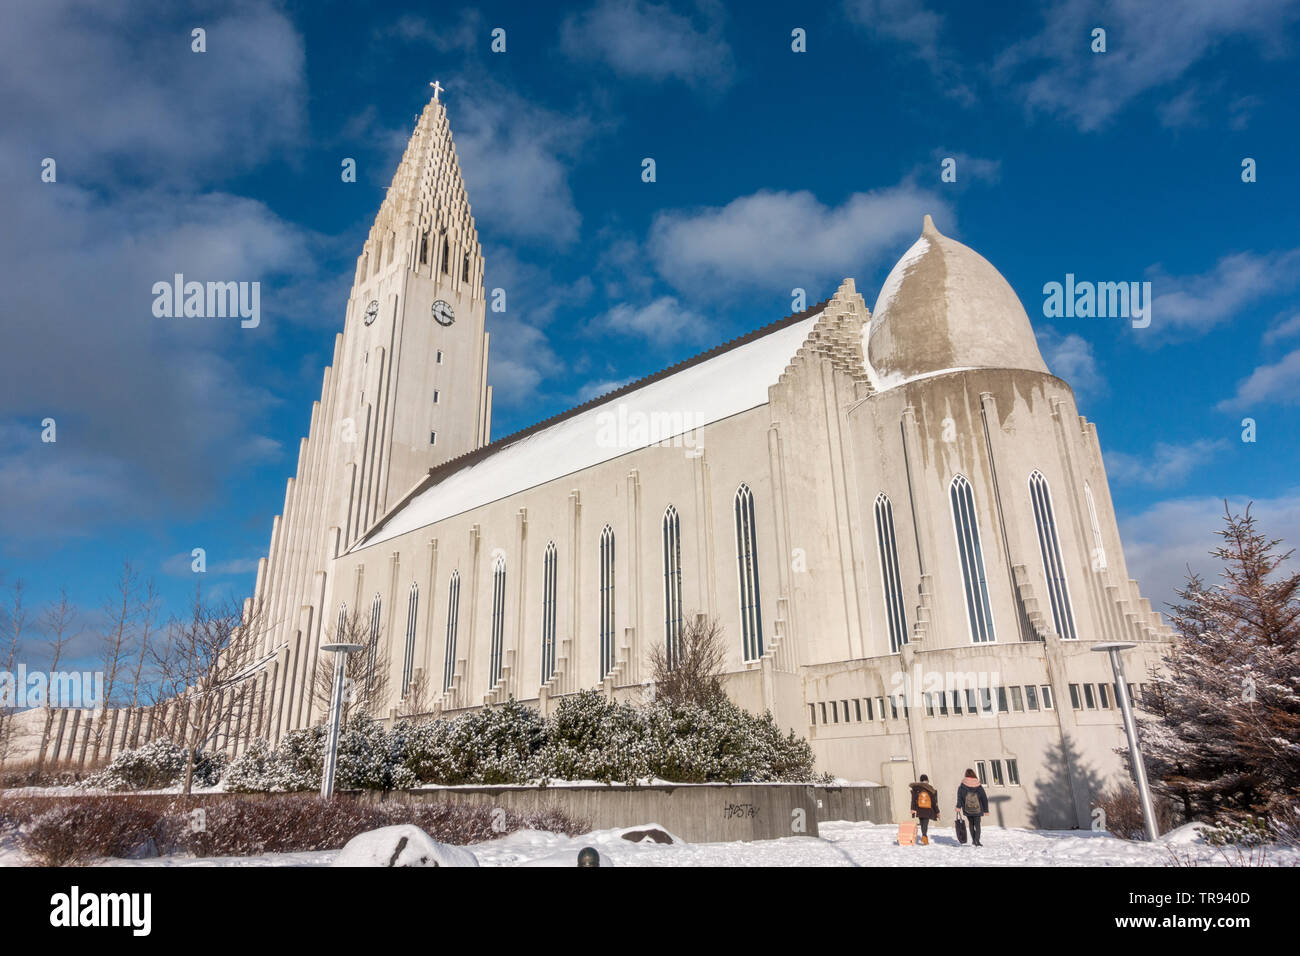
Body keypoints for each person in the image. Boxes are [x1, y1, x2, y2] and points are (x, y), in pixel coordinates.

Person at [955, 768, 989, 846]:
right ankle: (977, 840)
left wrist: (958, 807)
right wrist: (986, 810)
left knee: (971, 824)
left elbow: (960, 797)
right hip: (978, 809)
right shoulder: (978, 785)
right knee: (977, 825)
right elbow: (984, 798)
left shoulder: (962, 786)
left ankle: (974, 840)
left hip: (967, 809)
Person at [908, 774, 939, 845]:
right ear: (927, 780)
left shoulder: (916, 788)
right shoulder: (930, 788)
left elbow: (913, 800)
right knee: (925, 823)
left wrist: (912, 809)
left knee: (922, 823)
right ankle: (924, 836)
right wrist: (937, 812)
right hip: (928, 809)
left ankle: (924, 836)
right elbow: (934, 802)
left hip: (919, 809)